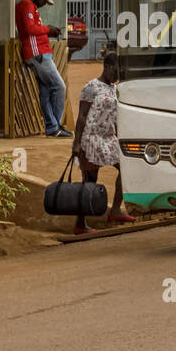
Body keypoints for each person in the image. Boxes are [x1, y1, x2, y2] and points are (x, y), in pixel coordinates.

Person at [71, 52, 133, 234]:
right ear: (106, 67)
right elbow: (82, 117)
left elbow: (114, 115)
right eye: (115, 70)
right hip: (90, 139)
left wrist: (119, 135)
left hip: (108, 138)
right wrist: (77, 143)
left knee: (125, 168)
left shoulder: (114, 89)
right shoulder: (91, 87)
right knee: (90, 181)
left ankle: (115, 210)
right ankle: (80, 224)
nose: (117, 75)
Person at [15, 0, 70, 137]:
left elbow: (31, 28)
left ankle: (52, 127)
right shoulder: (26, 5)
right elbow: (30, 29)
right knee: (59, 87)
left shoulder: (30, 7)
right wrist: (48, 29)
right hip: (37, 54)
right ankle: (55, 126)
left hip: (39, 53)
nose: (45, 3)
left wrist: (49, 30)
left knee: (45, 92)